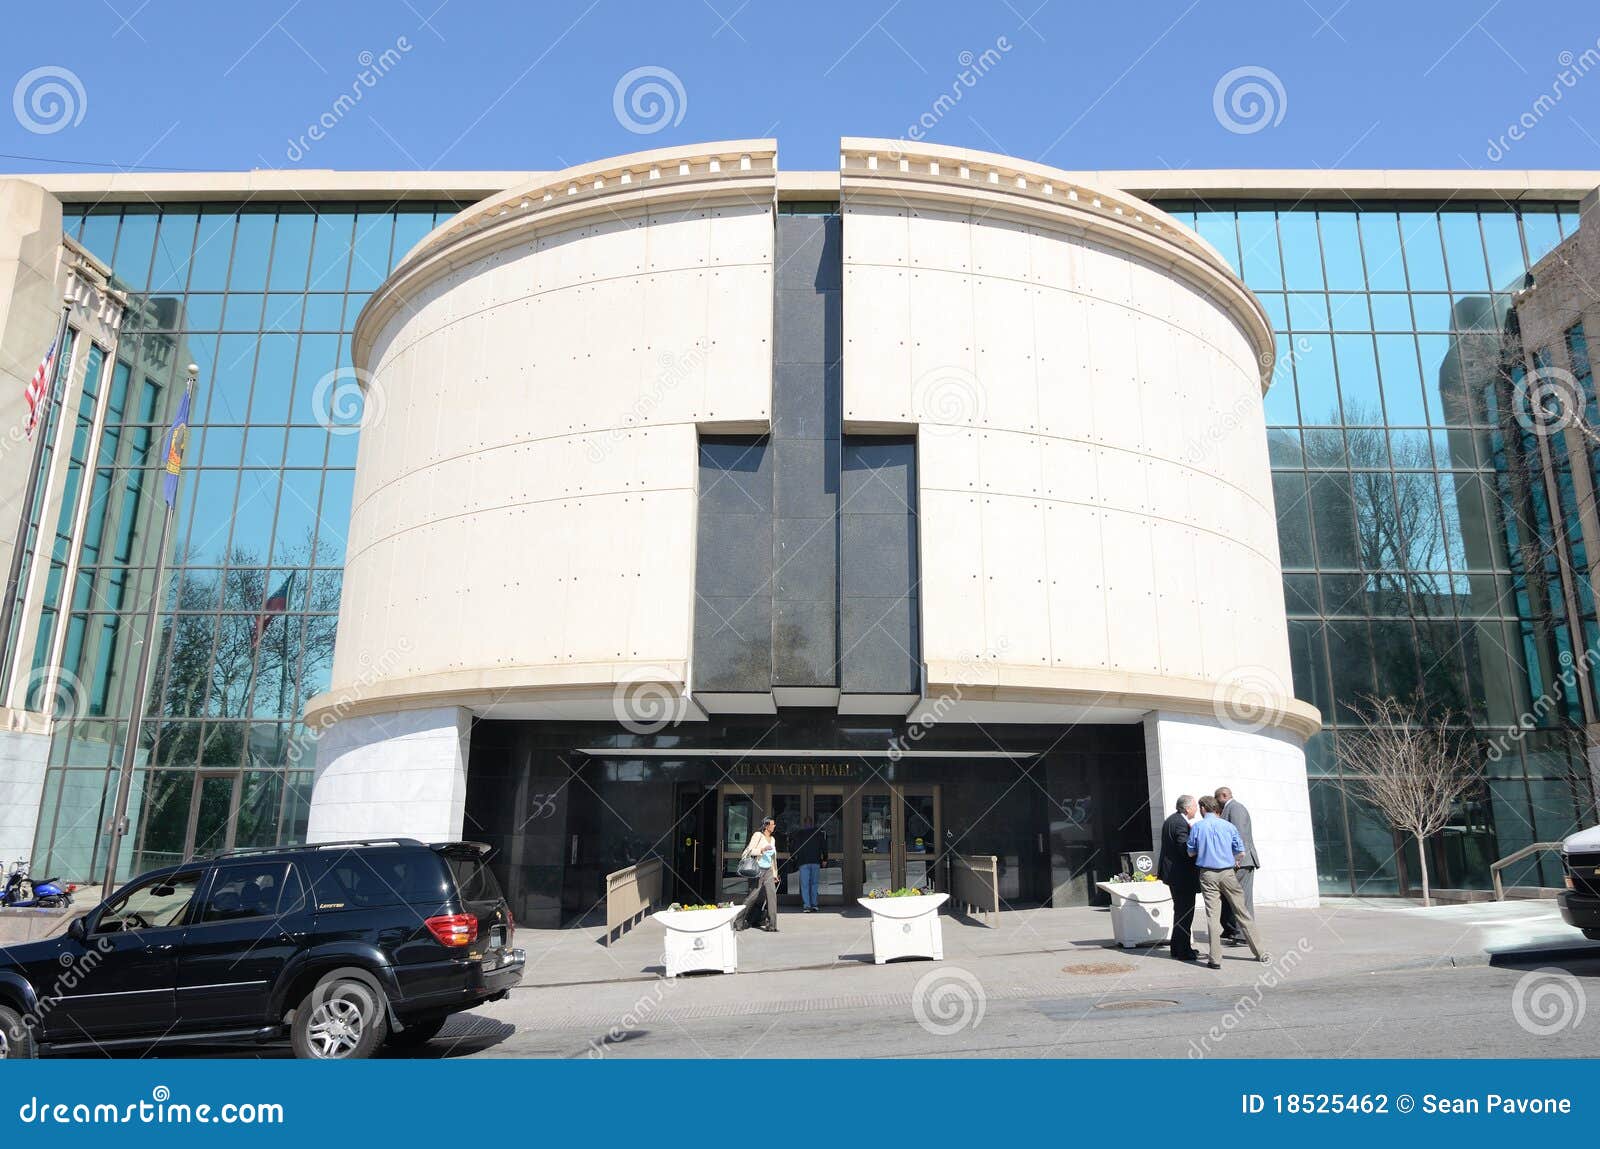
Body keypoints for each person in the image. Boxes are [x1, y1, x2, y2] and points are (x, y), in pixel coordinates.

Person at [1187, 795, 1270, 968]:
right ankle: (1260, 952)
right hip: (1228, 873)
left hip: (1208, 874)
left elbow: (1190, 853)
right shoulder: (1229, 826)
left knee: (1212, 916)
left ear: (1203, 808)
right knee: (1242, 912)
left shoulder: (1197, 827)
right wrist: (1235, 861)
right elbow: (1240, 851)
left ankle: (1215, 959)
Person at [1157, 794, 1201, 961]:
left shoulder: (1172, 820)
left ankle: (1177, 947)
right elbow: (1185, 850)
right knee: (1185, 913)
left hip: (1174, 875)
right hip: (1181, 876)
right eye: (1195, 806)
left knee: (1180, 911)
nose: (1197, 809)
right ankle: (1183, 950)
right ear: (1187, 808)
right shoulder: (1180, 824)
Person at [1215, 786, 1260, 946]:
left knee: (1243, 899)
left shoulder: (1235, 808)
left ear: (1224, 795)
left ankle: (1244, 935)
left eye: (1217, 799)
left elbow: (1238, 835)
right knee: (1233, 897)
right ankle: (1234, 930)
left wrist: (1236, 859)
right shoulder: (1232, 808)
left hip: (1242, 861)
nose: (1216, 804)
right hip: (1239, 861)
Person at [733, 817, 779, 933]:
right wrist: (762, 850)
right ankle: (738, 921)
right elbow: (749, 851)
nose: (774, 826)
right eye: (772, 824)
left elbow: (773, 858)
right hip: (758, 869)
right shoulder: (758, 835)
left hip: (768, 870)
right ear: (766, 826)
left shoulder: (772, 839)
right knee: (753, 896)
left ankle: (772, 925)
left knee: (772, 896)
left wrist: (774, 873)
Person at [791, 819, 827, 912]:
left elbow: (793, 847)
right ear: (812, 823)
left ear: (804, 824)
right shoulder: (818, 833)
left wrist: (793, 857)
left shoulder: (799, 834)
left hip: (803, 862)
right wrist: (825, 859)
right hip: (815, 861)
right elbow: (824, 846)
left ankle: (807, 905)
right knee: (814, 884)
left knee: (805, 885)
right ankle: (814, 904)